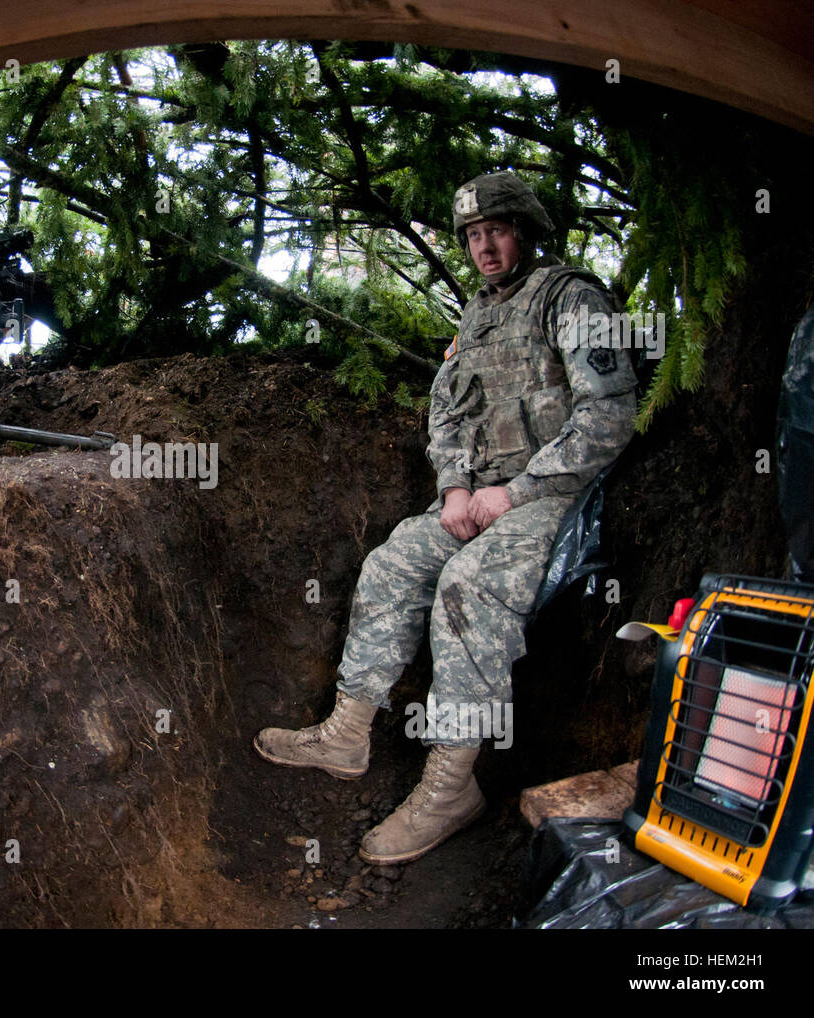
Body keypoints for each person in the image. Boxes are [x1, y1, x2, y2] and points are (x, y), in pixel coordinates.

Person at [254, 171, 638, 865]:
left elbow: (608, 417)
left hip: (553, 497)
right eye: (471, 236)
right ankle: (347, 732)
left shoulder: (572, 298)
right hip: (477, 498)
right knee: (391, 564)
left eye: (495, 231)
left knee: (468, 586)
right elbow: (449, 415)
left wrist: (514, 493)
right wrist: (457, 487)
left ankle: (450, 788)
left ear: (523, 231)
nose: (483, 247)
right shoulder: (478, 315)